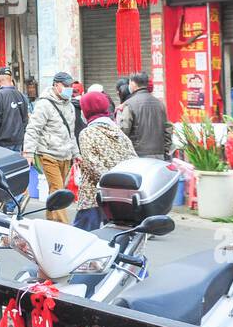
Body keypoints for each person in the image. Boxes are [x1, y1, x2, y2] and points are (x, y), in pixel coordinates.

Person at [23, 72, 81, 223]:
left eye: (70, 86)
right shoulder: (44, 104)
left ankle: (50, 222)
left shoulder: (69, 105)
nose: (69, 89)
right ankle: (64, 226)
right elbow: (33, 129)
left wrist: (76, 153)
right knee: (58, 190)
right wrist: (28, 152)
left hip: (66, 154)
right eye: (65, 86)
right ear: (56, 85)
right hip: (48, 153)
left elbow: (71, 132)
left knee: (54, 191)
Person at [75, 90, 135, 231]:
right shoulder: (118, 131)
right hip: (117, 196)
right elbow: (132, 158)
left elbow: (92, 164)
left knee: (81, 236)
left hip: (93, 196)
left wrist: (108, 181)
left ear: (86, 110)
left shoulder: (87, 133)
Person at [117, 71, 173, 160]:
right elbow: (168, 129)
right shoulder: (160, 104)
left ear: (133, 83)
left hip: (138, 155)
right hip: (159, 154)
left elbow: (124, 130)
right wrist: (165, 150)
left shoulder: (129, 104)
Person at [0, 66, 29, 151]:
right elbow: (25, 119)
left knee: (3, 164)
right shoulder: (21, 95)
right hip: (18, 142)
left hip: (2, 144)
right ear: (11, 79)